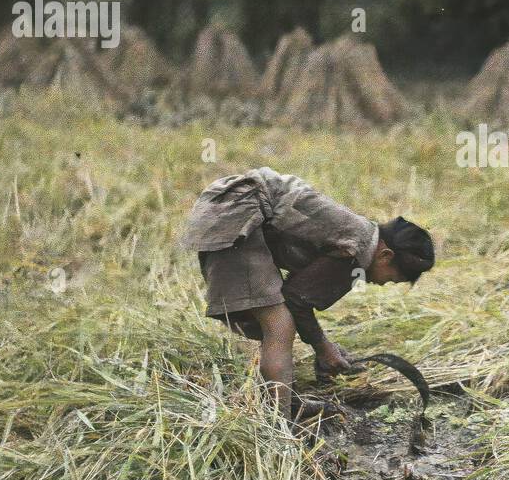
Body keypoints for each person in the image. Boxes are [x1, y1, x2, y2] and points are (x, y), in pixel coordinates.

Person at [180, 167, 435, 419]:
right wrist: (323, 347)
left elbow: (295, 294)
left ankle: (283, 402)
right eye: (392, 279)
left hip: (230, 209)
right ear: (385, 255)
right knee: (279, 325)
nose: (384, 284)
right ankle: (279, 425)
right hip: (238, 214)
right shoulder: (357, 247)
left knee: (274, 322)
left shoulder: (358, 237)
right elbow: (296, 299)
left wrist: (322, 346)